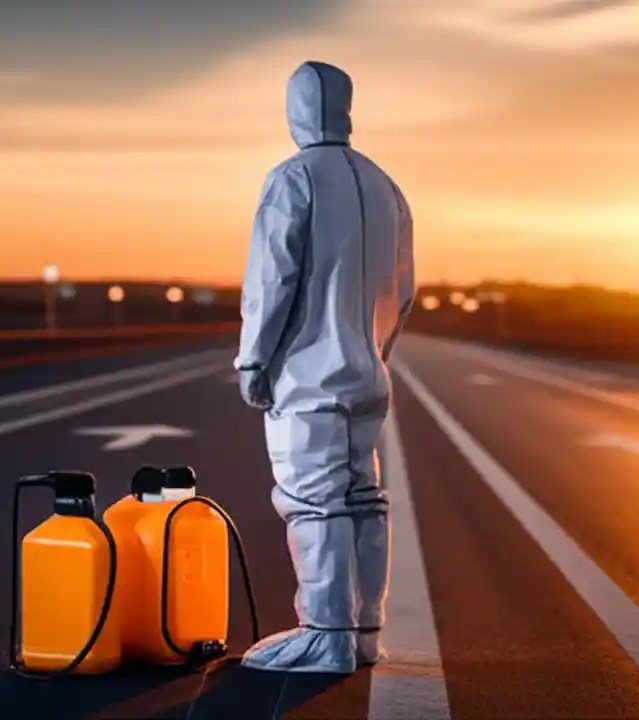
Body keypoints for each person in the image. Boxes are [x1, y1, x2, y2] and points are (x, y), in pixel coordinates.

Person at [234, 60, 415, 673]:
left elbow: (272, 278)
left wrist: (255, 360)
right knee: (364, 496)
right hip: (367, 370)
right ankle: (365, 631)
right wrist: (375, 351)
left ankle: (326, 635)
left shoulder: (293, 178)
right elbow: (403, 288)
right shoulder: (386, 186)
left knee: (313, 502)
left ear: (296, 110)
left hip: (308, 374)